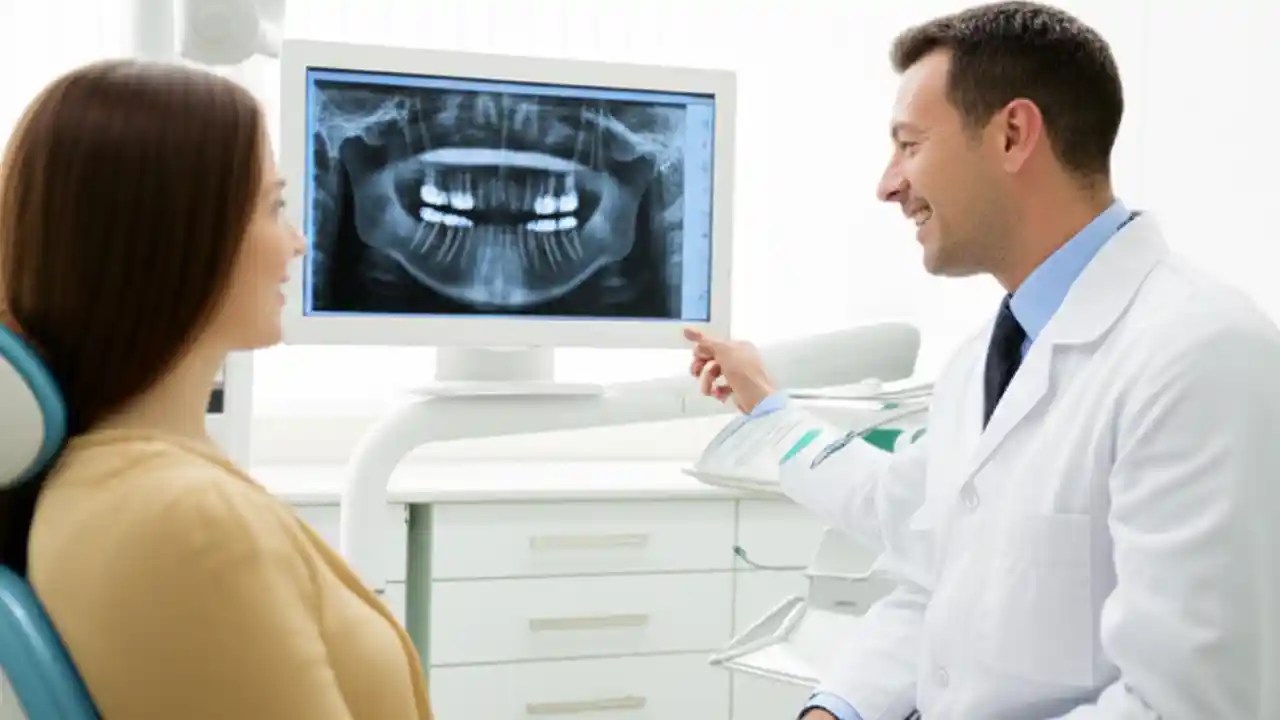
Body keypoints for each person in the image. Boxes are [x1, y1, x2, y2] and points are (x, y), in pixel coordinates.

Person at [687, 2, 1280, 719]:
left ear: (1011, 135)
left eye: (909, 144)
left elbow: (1185, 706)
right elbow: (937, 585)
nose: (887, 183)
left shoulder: (1198, 351)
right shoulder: (980, 365)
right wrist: (837, 708)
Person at [0, 60, 432, 719]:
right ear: (176, 235)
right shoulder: (185, 520)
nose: (298, 242)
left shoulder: (132, 484)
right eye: (273, 207)